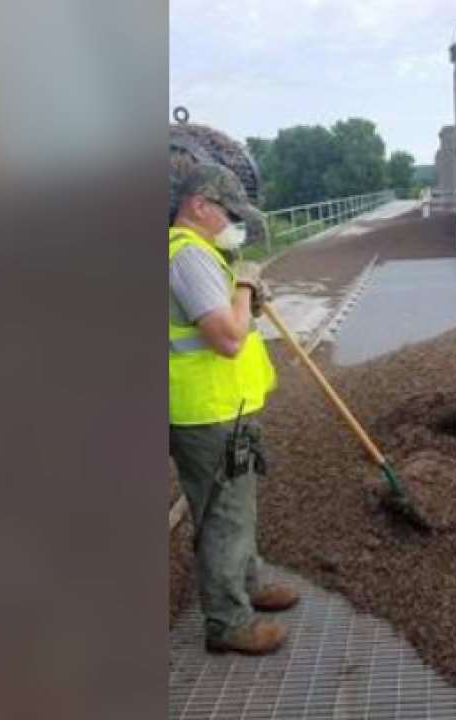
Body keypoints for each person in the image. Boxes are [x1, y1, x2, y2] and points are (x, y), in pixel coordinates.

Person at [168, 164, 298, 655]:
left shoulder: (202, 254)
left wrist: (246, 298)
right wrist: (245, 286)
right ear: (199, 205)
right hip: (208, 413)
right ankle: (228, 623)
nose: (233, 222)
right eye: (227, 212)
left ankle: (250, 582)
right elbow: (226, 338)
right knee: (223, 515)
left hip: (229, 407)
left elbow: (228, 324)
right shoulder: (189, 258)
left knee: (237, 507)